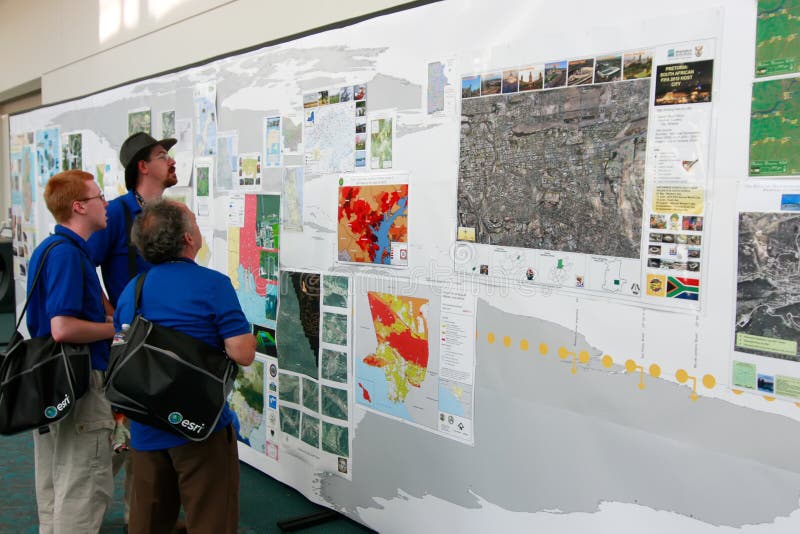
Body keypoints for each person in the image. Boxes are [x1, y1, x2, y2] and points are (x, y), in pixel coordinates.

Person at [113, 200, 255, 534]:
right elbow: (241, 352)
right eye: (194, 219)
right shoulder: (212, 284)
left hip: (147, 425)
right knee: (210, 519)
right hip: (201, 425)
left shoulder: (133, 289)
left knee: (149, 522)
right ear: (188, 239)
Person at [87, 132, 177, 524]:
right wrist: (110, 313)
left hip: (167, 338)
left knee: (154, 429)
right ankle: (85, 514)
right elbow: (84, 264)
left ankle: (136, 515)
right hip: (127, 340)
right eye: (162, 155)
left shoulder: (172, 213)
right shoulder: (118, 213)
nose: (171, 161)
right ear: (143, 166)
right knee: (119, 430)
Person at [26, 170, 116, 533]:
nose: (106, 203)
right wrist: (117, 330)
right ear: (79, 207)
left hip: (51, 380)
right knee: (82, 485)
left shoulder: (49, 249)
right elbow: (62, 328)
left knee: (55, 482)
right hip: (78, 383)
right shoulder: (68, 256)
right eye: (99, 197)